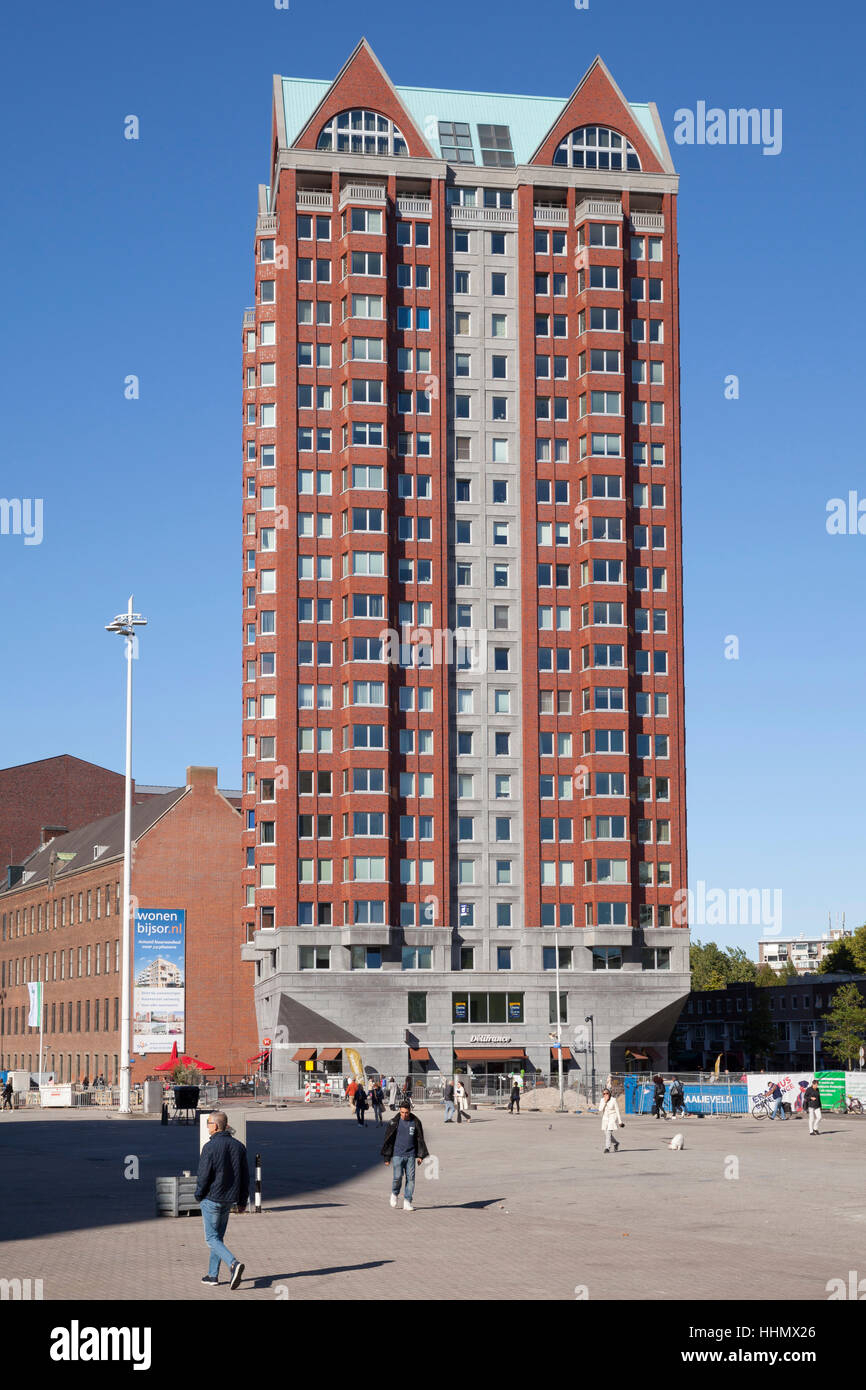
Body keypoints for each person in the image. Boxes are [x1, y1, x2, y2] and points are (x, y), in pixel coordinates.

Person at [195, 1111, 249, 1289]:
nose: (207, 1126)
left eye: (208, 1123)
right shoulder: (239, 1147)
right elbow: (244, 1177)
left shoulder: (209, 1147)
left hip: (211, 1198)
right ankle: (212, 1275)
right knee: (218, 1238)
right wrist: (242, 1201)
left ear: (216, 1126)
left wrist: (198, 1194)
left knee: (211, 1239)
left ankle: (233, 1264)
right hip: (229, 1200)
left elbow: (203, 1176)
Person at [381, 1100, 429, 1212]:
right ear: (399, 1111)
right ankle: (394, 1193)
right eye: (402, 1112)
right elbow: (388, 1140)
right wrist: (387, 1157)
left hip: (411, 1155)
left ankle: (407, 1201)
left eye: (406, 1112)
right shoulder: (394, 1122)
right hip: (398, 1154)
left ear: (410, 1111)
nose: (404, 1115)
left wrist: (420, 1155)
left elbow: (420, 1139)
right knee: (397, 1177)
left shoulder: (416, 1122)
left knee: (411, 1179)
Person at [600, 1087, 624, 1153]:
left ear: (609, 1093)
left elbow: (617, 1111)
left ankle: (607, 1148)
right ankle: (616, 1143)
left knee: (608, 1133)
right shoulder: (602, 1100)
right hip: (605, 1118)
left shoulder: (613, 1100)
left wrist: (620, 1121)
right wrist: (605, 1102)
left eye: (607, 1093)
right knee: (607, 1134)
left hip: (612, 1117)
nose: (605, 1095)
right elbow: (600, 1109)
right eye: (604, 1094)